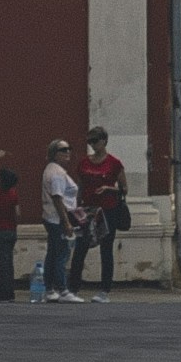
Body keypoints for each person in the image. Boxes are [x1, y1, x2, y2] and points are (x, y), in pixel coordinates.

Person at [72, 123, 130, 296]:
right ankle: (73, 287)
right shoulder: (83, 163)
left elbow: (124, 189)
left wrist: (108, 188)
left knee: (106, 248)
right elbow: (80, 186)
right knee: (80, 247)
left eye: (95, 141)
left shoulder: (114, 163)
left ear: (104, 141)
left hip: (108, 210)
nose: (92, 144)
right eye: (90, 141)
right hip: (88, 208)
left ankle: (104, 289)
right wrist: (77, 208)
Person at [39, 139, 81, 303]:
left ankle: (49, 288)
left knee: (53, 253)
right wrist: (66, 222)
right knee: (61, 254)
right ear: (54, 154)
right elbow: (58, 198)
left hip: (51, 217)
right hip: (58, 219)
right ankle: (62, 289)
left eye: (69, 149)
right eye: (63, 150)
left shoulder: (52, 170)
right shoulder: (56, 173)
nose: (68, 152)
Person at [0, 149, 25, 301]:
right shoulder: (13, 193)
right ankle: (9, 291)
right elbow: (18, 213)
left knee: (2, 262)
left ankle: (4, 292)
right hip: (11, 230)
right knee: (8, 262)